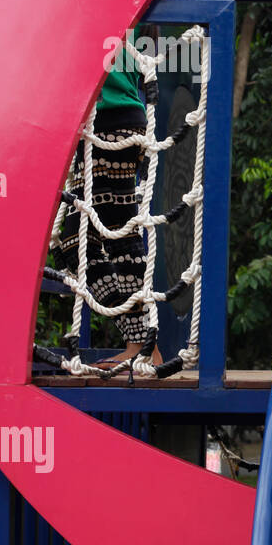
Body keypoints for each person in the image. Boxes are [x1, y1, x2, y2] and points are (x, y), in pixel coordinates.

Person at [54, 35, 162, 370]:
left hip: (111, 118)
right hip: (108, 120)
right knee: (86, 238)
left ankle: (142, 345)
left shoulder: (110, 10)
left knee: (113, 234)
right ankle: (140, 342)